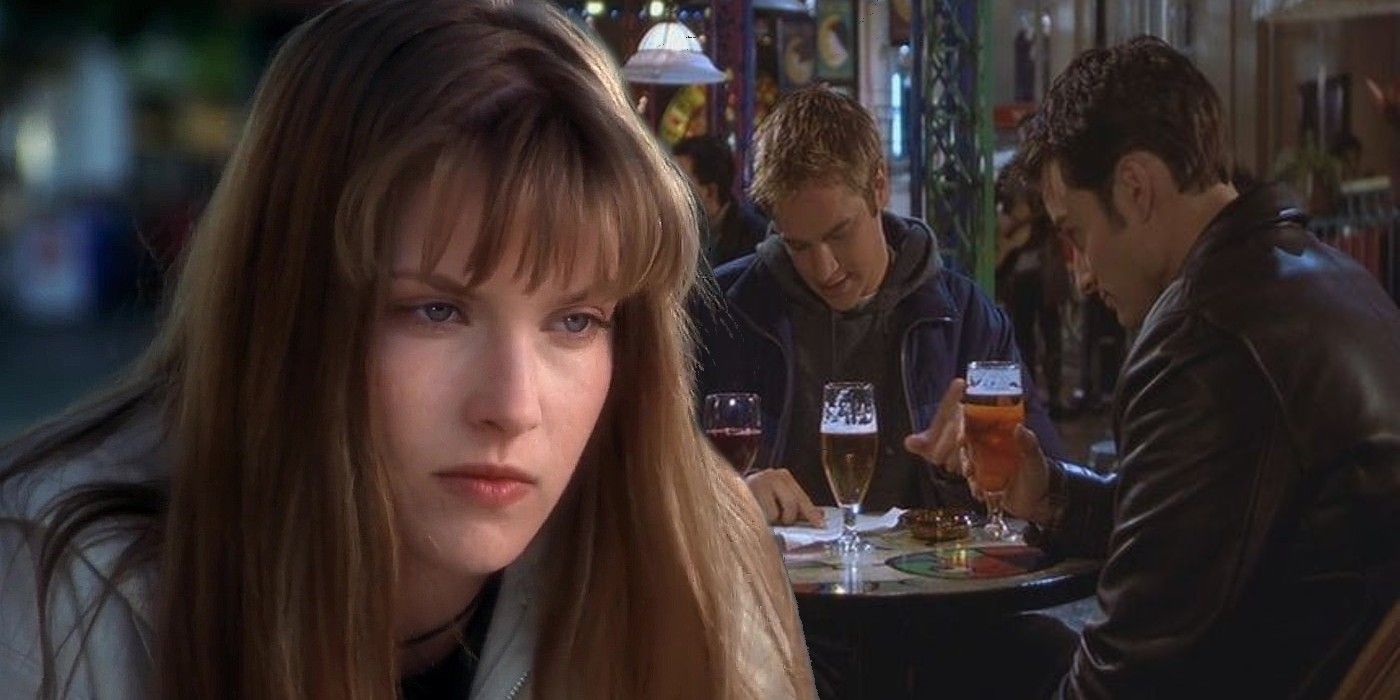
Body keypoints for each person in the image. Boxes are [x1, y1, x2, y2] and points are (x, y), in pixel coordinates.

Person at [0, 2, 816, 698]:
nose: (512, 406)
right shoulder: (51, 585)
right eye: (436, 311)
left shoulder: (693, 553)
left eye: (575, 321)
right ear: (289, 307)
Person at [915, 36, 1400, 697]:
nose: (1081, 275)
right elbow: (1191, 529)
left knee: (960, 661)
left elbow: (1129, 671)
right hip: (1305, 652)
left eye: (1077, 234)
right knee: (1015, 648)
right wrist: (1052, 493)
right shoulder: (1328, 278)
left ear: (1136, 188)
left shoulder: (1206, 338)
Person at [693, 84, 1065, 526]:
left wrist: (979, 469)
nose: (824, 269)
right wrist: (728, 493)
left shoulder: (965, 317)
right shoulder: (722, 311)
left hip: (925, 570)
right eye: (798, 246)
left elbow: (1048, 490)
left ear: (879, 186)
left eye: (839, 234)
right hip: (771, 570)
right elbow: (649, 471)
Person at [672, 135, 768, 268]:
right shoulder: (673, 234)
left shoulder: (756, 242)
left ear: (710, 191)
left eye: (678, 183)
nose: (669, 192)